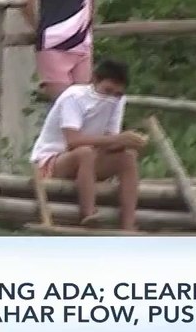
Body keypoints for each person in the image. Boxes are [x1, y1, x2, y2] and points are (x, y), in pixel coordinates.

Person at [28, 59, 147, 230]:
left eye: (117, 93)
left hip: (88, 161)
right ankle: (89, 214)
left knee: (128, 157)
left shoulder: (117, 101)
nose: (111, 97)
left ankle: (128, 224)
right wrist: (117, 139)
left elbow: (109, 141)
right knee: (85, 152)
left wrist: (127, 143)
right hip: (53, 162)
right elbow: (73, 141)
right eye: (107, 91)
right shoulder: (74, 97)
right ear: (95, 80)